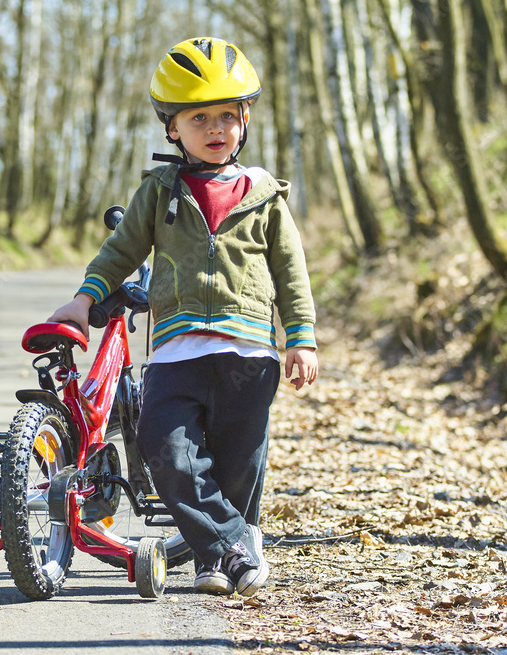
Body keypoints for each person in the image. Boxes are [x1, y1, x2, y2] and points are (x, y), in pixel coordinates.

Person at [47, 38, 318, 597]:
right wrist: (82, 298)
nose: (216, 128)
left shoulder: (265, 195)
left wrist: (302, 338)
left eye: (227, 115)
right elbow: (119, 253)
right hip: (176, 351)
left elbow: (291, 271)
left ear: (244, 119)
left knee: (238, 461)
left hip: (248, 351)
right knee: (163, 448)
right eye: (200, 118)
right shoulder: (159, 190)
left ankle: (215, 560)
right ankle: (236, 545)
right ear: (173, 128)